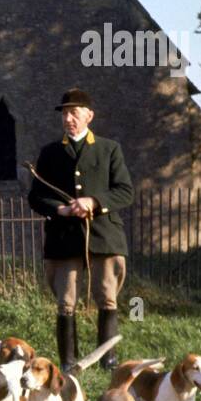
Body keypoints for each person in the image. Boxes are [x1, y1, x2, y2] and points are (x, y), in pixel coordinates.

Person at [27, 88, 134, 373]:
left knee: (107, 297)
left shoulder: (109, 148)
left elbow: (125, 192)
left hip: (103, 234)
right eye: (64, 113)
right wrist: (58, 209)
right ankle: (68, 363)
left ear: (89, 115)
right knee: (66, 303)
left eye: (74, 112)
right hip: (63, 238)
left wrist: (94, 201)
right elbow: (35, 197)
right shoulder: (49, 153)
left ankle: (108, 360)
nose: (68, 118)